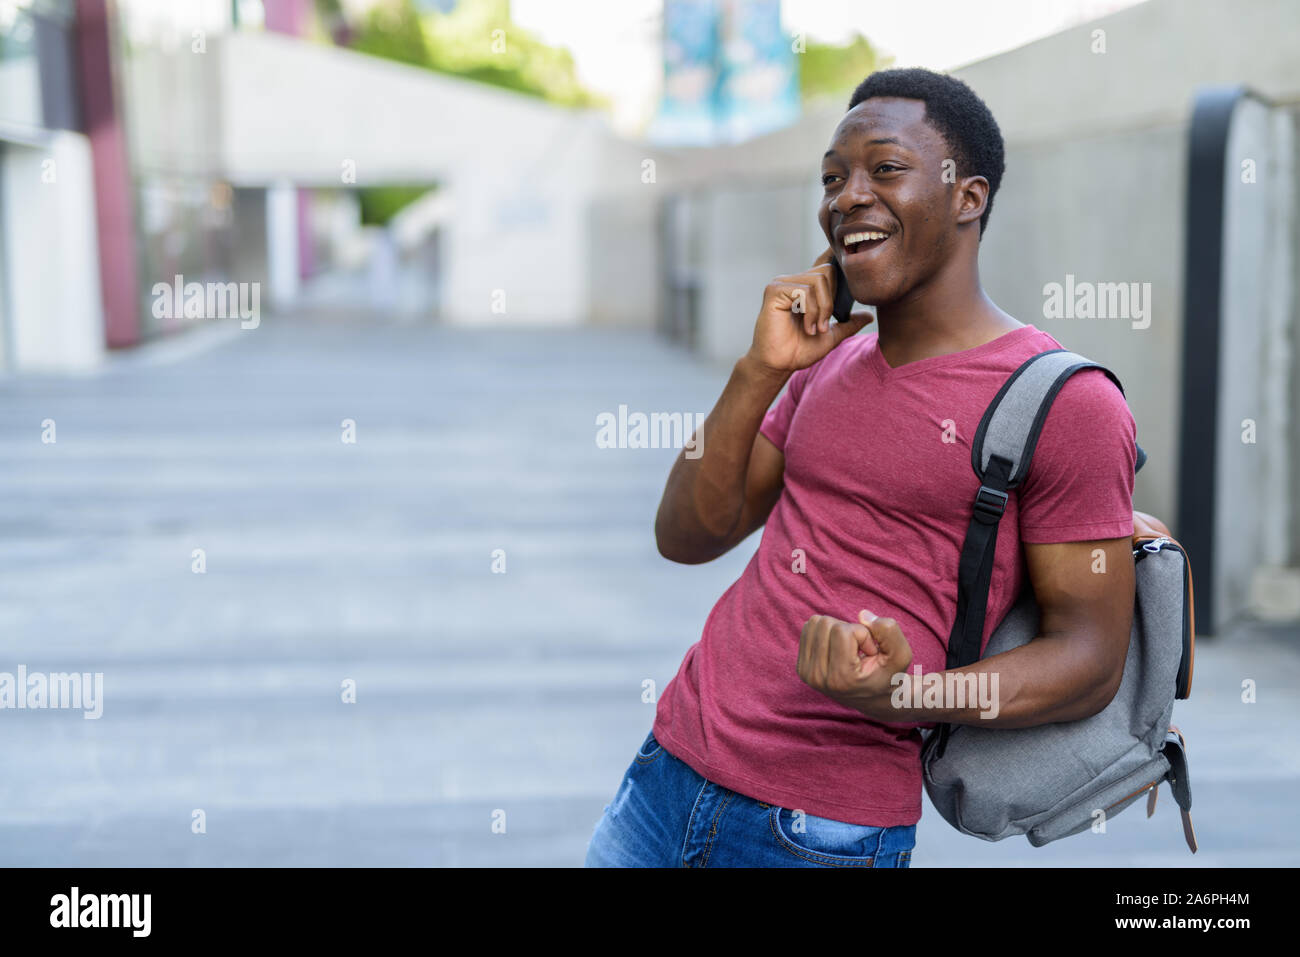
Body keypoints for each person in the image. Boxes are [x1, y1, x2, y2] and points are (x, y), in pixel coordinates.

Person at [585, 68, 1137, 868]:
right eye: (832, 178)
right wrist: (758, 370)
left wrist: (908, 695)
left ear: (967, 196)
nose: (846, 196)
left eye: (884, 169)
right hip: (666, 772)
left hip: (818, 833)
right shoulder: (824, 362)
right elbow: (687, 535)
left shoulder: (1066, 402)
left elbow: (1089, 660)